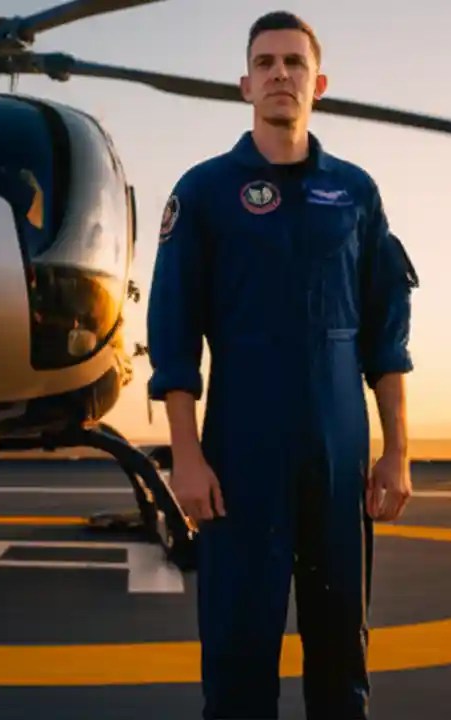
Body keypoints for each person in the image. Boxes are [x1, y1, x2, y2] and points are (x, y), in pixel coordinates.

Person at [145, 10, 418, 720]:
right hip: (241, 452)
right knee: (237, 661)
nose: (280, 75)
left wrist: (398, 453)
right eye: (265, 63)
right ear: (244, 85)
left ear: (318, 83)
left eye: (293, 63)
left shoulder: (356, 195)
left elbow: (386, 338)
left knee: (341, 663)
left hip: (338, 455)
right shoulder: (203, 193)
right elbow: (174, 335)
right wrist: (186, 454)